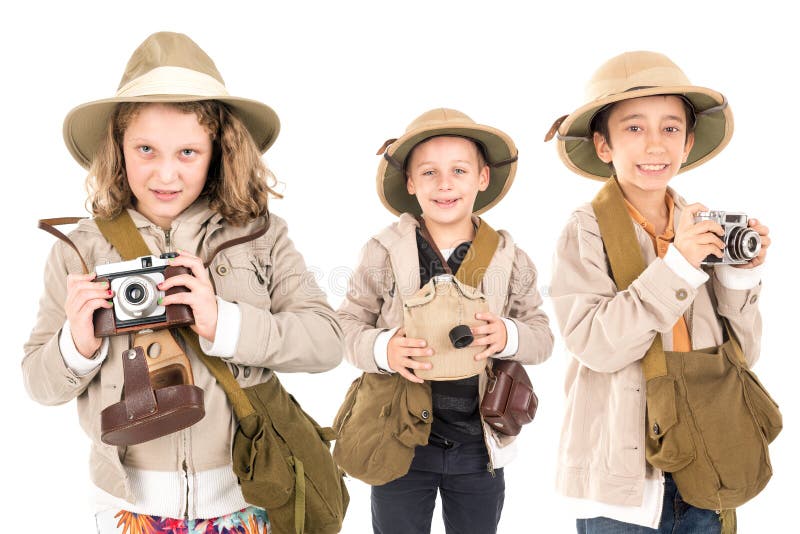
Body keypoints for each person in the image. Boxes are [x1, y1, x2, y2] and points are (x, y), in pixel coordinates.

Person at [22, 31, 343, 533]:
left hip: (248, 494)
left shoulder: (261, 235)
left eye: (188, 152)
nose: (165, 174)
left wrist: (223, 323)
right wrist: (76, 346)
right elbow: (38, 385)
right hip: (129, 506)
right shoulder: (79, 248)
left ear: (219, 150)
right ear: (118, 148)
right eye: (146, 149)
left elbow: (326, 342)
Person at [546, 51, 769, 533]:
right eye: (633, 128)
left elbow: (743, 357)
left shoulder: (700, 227)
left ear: (687, 143)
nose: (654, 144)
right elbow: (596, 345)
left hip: (708, 462)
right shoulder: (585, 231)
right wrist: (679, 267)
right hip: (625, 487)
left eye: (670, 128)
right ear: (603, 145)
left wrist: (739, 276)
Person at [337, 108, 554, 534]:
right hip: (398, 438)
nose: (445, 184)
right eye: (429, 172)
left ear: (482, 178)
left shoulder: (510, 258)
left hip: (479, 445)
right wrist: (383, 349)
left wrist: (507, 335)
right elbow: (344, 325)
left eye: (458, 170)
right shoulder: (383, 251)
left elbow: (543, 336)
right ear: (411, 182)